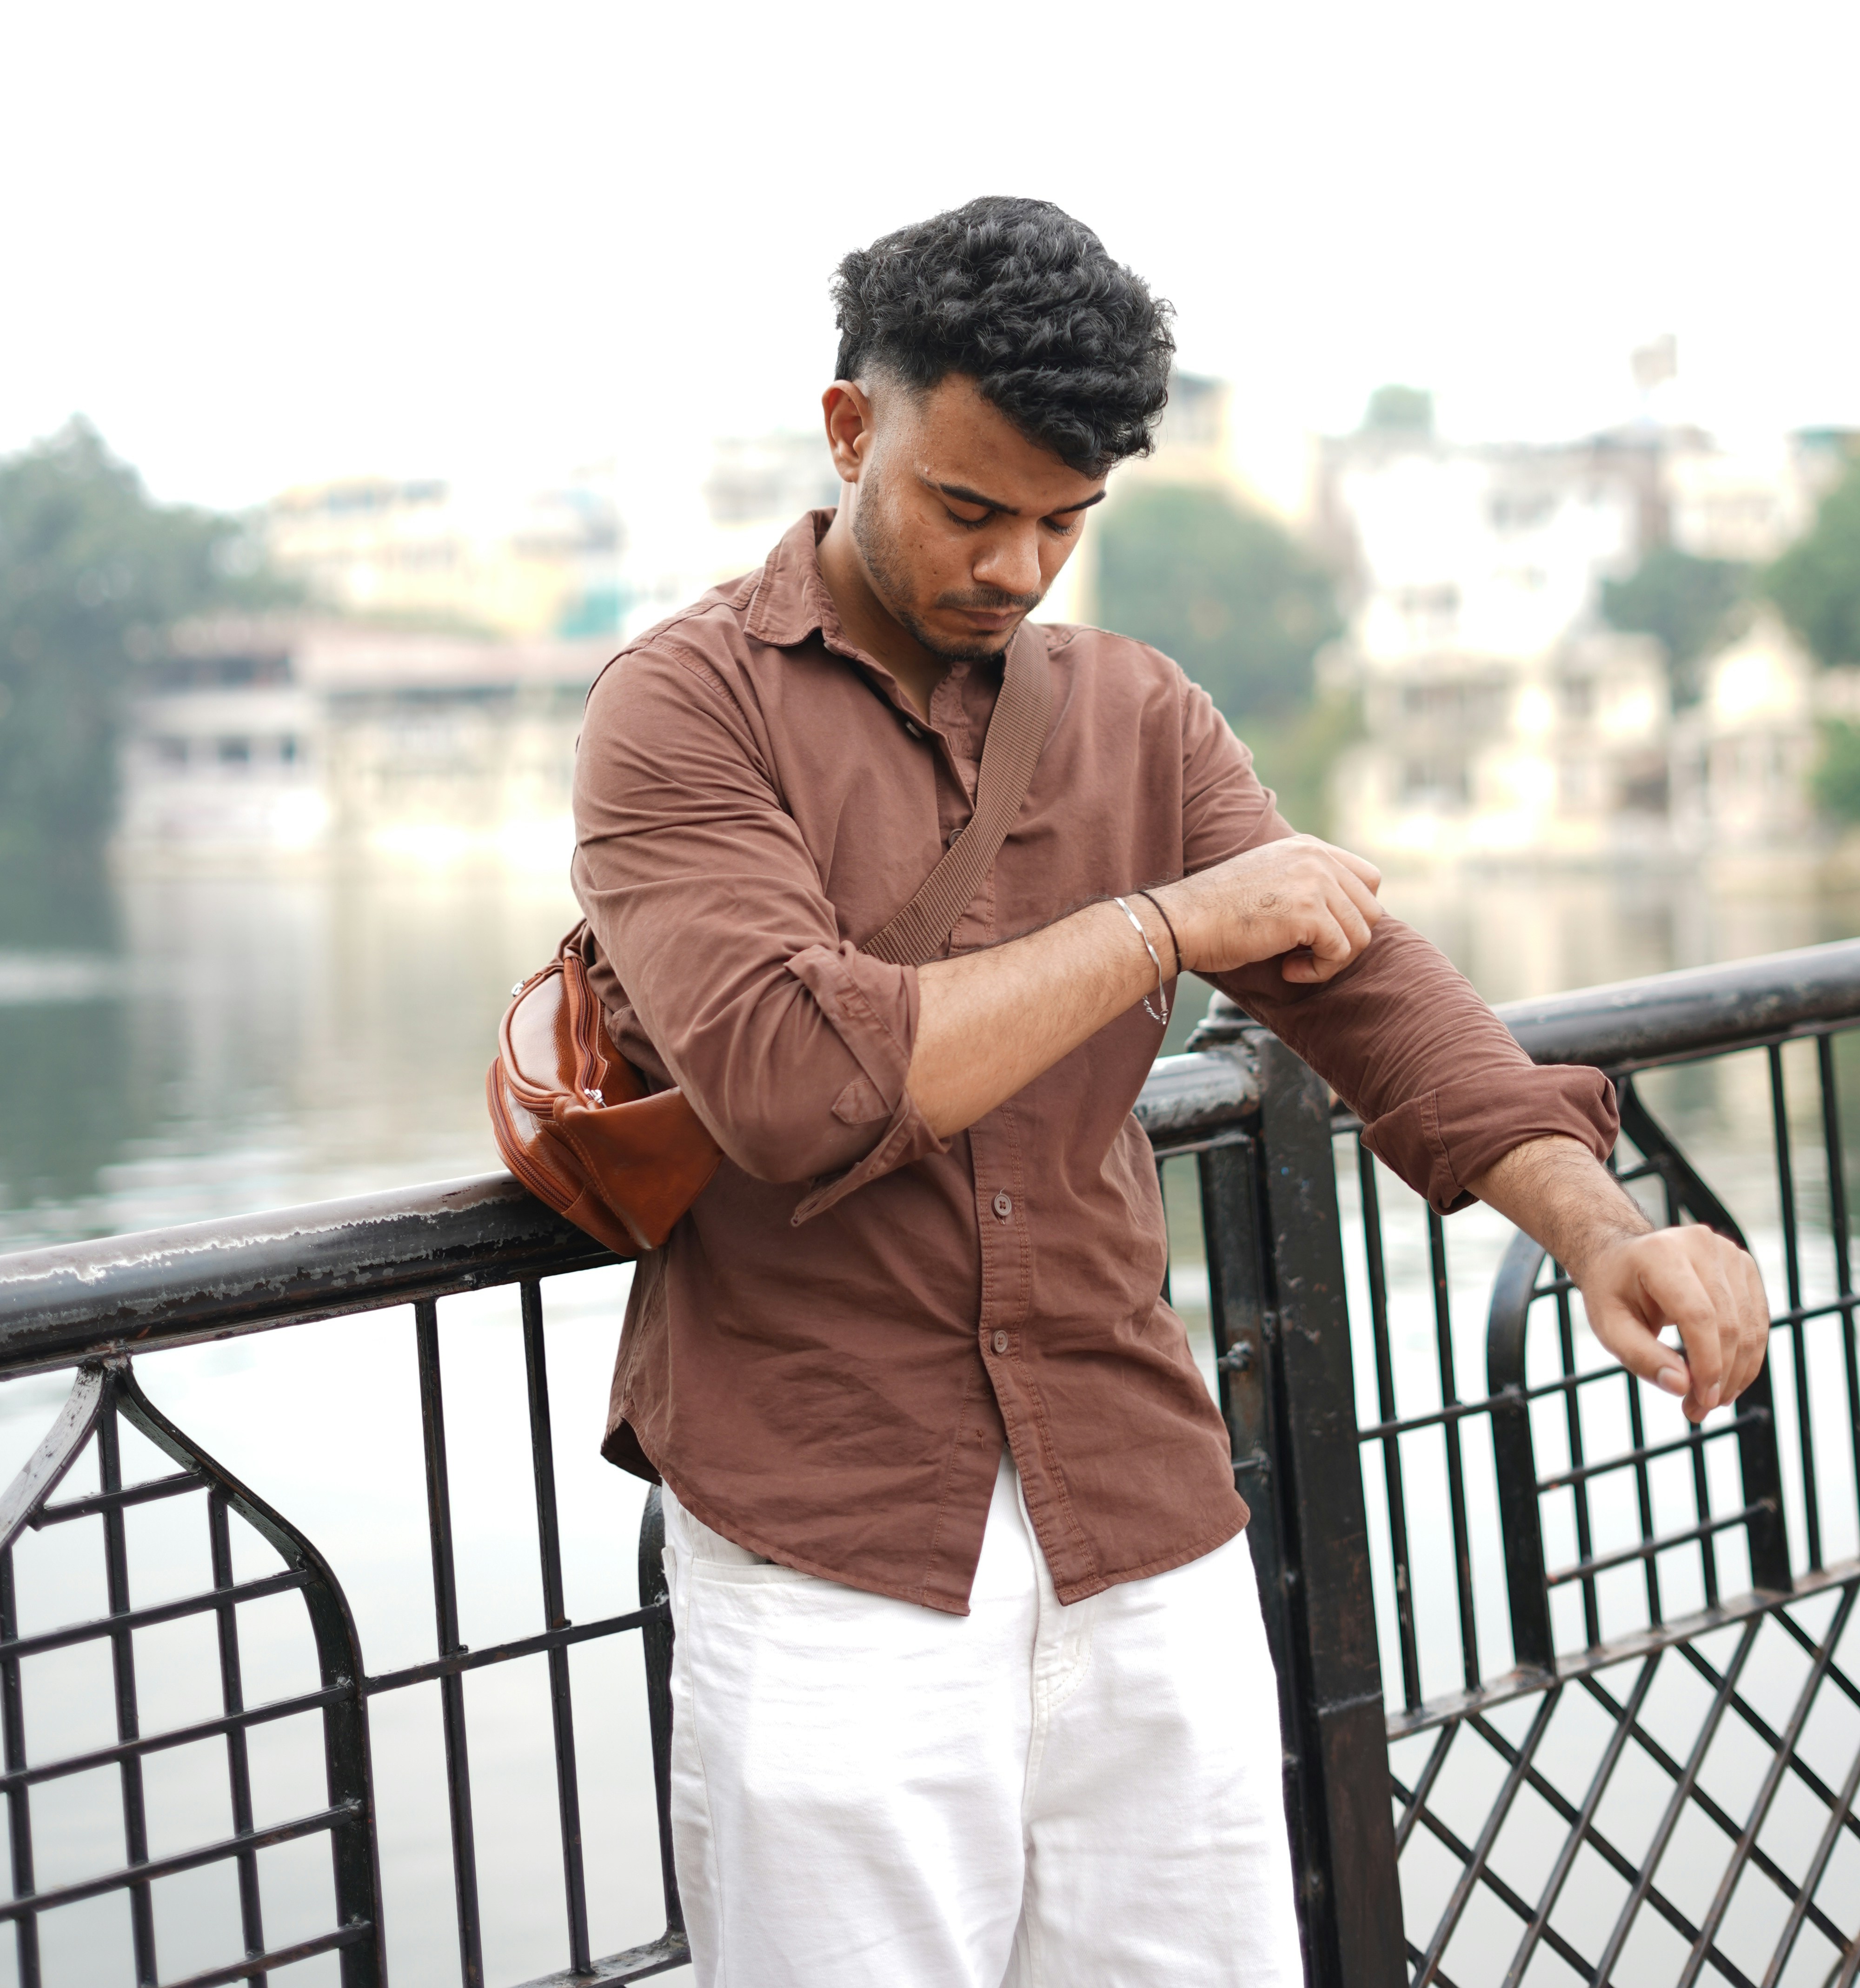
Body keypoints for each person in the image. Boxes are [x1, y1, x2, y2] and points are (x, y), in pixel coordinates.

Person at [571, 197, 1768, 1988]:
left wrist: (1600, 1226)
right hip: (827, 1534)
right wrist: (1165, 926)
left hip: (1138, 1509)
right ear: (849, 432)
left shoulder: (1142, 715)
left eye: (1064, 523)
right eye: (967, 508)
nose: (1014, 567)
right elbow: (796, 1087)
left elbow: (1380, 1005)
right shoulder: (678, 710)